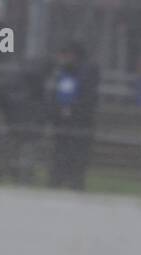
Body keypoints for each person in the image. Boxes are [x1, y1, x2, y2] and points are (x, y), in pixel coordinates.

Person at [46, 40, 99, 190]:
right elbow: (56, 93)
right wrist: (58, 111)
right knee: (60, 150)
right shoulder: (63, 72)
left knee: (78, 152)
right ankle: (57, 179)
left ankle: (75, 181)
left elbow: (87, 96)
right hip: (62, 120)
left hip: (80, 120)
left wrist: (73, 110)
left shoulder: (88, 71)